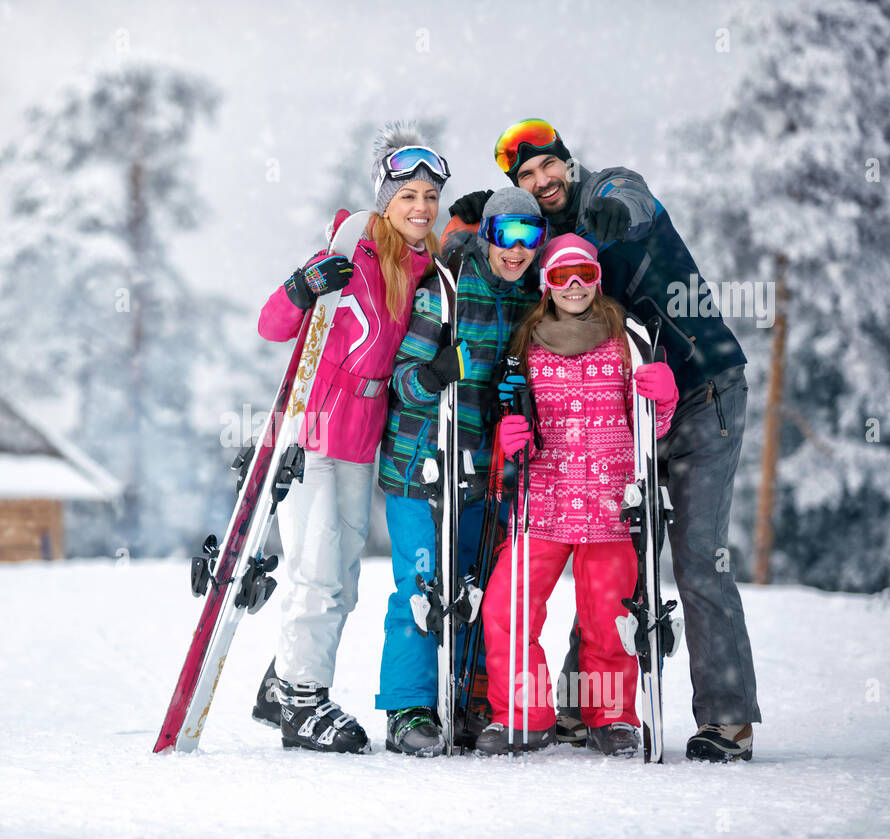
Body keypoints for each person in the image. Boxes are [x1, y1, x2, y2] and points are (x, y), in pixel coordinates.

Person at [447, 119, 760, 761]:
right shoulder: (550, 239)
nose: (542, 181)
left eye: (548, 166)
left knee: (697, 556)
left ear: (569, 161)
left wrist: (618, 208)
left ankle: (726, 719)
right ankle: (584, 705)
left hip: (699, 390)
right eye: (526, 176)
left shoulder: (606, 194)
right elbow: (490, 252)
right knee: (611, 562)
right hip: (623, 412)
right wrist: (468, 222)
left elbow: (632, 196)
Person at [250, 122, 449, 754]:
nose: (421, 207)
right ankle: (303, 699)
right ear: (385, 199)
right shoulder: (350, 251)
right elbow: (272, 326)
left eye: (430, 196)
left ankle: (284, 681)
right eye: (408, 195)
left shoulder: (426, 269)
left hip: (362, 441)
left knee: (343, 578)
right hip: (312, 429)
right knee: (315, 571)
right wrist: (301, 287)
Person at [477, 234, 678, 756]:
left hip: (611, 506)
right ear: (546, 283)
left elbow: (649, 430)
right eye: (562, 275)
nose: (573, 285)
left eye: (584, 275)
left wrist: (664, 400)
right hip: (541, 503)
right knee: (505, 610)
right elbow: (509, 411)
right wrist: (509, 437)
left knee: (609, 622)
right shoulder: (525, 344)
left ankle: (612, 717)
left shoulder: (626, 339)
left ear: (597, 280)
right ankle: (522, 715)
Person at [375, 188, 545, 756]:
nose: (516, 250)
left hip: (483, 471)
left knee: (473, 587)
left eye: (529, 236)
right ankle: (409, 707)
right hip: (419, 465)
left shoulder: (531, 299)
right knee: (422, 587)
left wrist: (511, 402)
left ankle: (463, 696)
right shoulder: (445, 290)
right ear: (487, 235)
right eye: (505, 235)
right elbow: (402, 381)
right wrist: (434, 374)